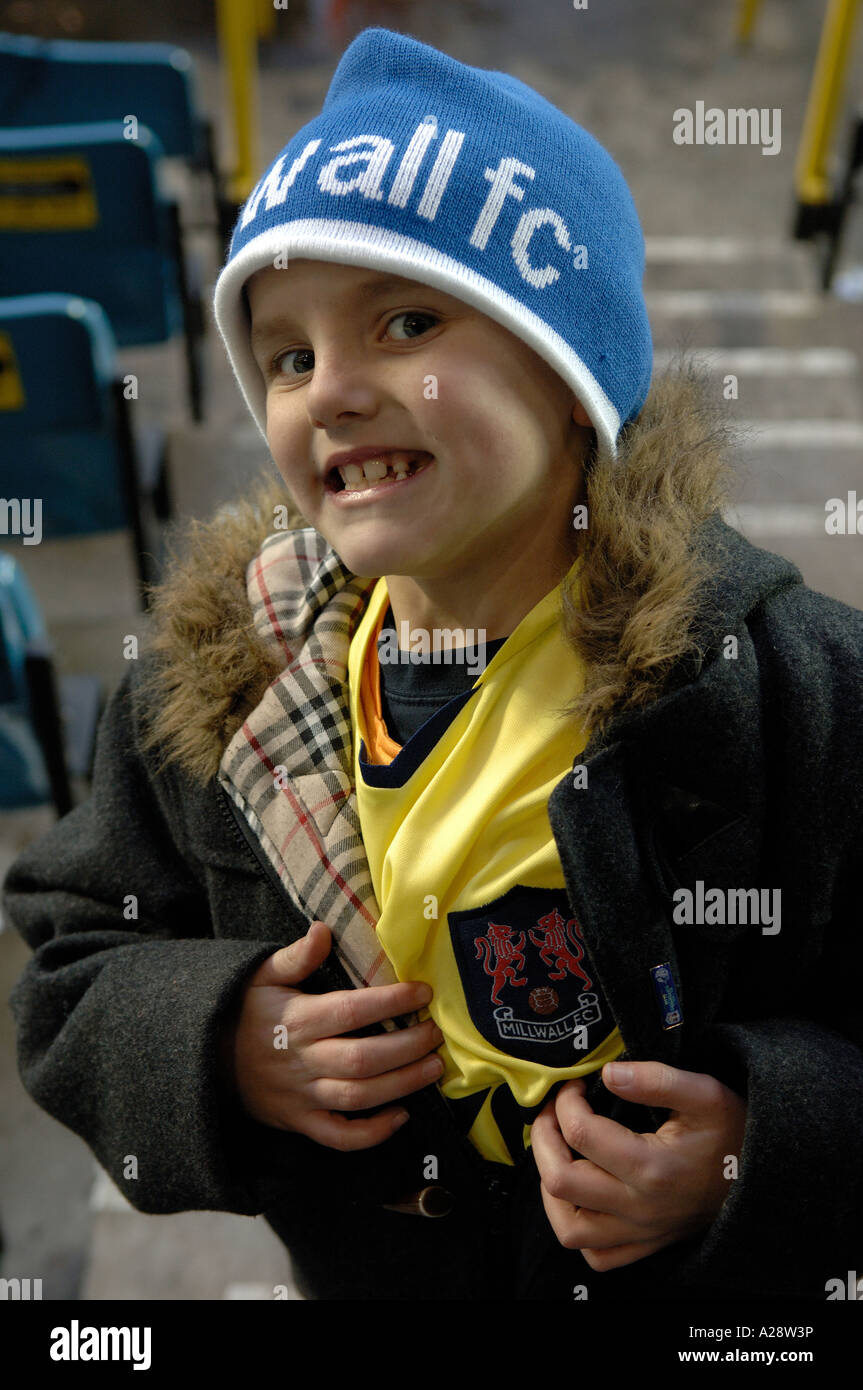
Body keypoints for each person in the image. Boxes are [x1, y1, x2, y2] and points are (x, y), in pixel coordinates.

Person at [5, 26, 863, 1303]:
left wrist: (758, 1150)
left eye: (406, 322)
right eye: (287, 354)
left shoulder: (782, 684)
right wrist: (220, 1043)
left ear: (572, 376)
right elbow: (71, 963)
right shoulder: (216, 697)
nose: (330, 392)